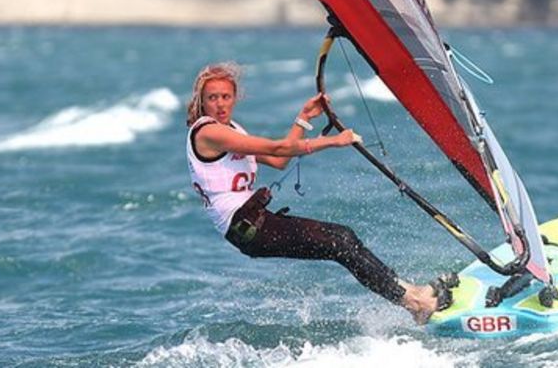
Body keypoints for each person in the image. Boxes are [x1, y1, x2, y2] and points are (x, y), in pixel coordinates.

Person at [185, 62, 456, 323]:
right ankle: (416, 305)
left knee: (343, 238)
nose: (220, 104)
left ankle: (414, 294)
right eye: (212, 98)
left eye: (225, 96)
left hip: (253, 222)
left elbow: (280, 160)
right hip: (246, 227)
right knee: (341, 242)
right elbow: (278, 149)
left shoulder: (231, 130)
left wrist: (303, 117)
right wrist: (334, 141)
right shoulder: (207, 131)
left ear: (235, 98)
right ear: (202, 101)